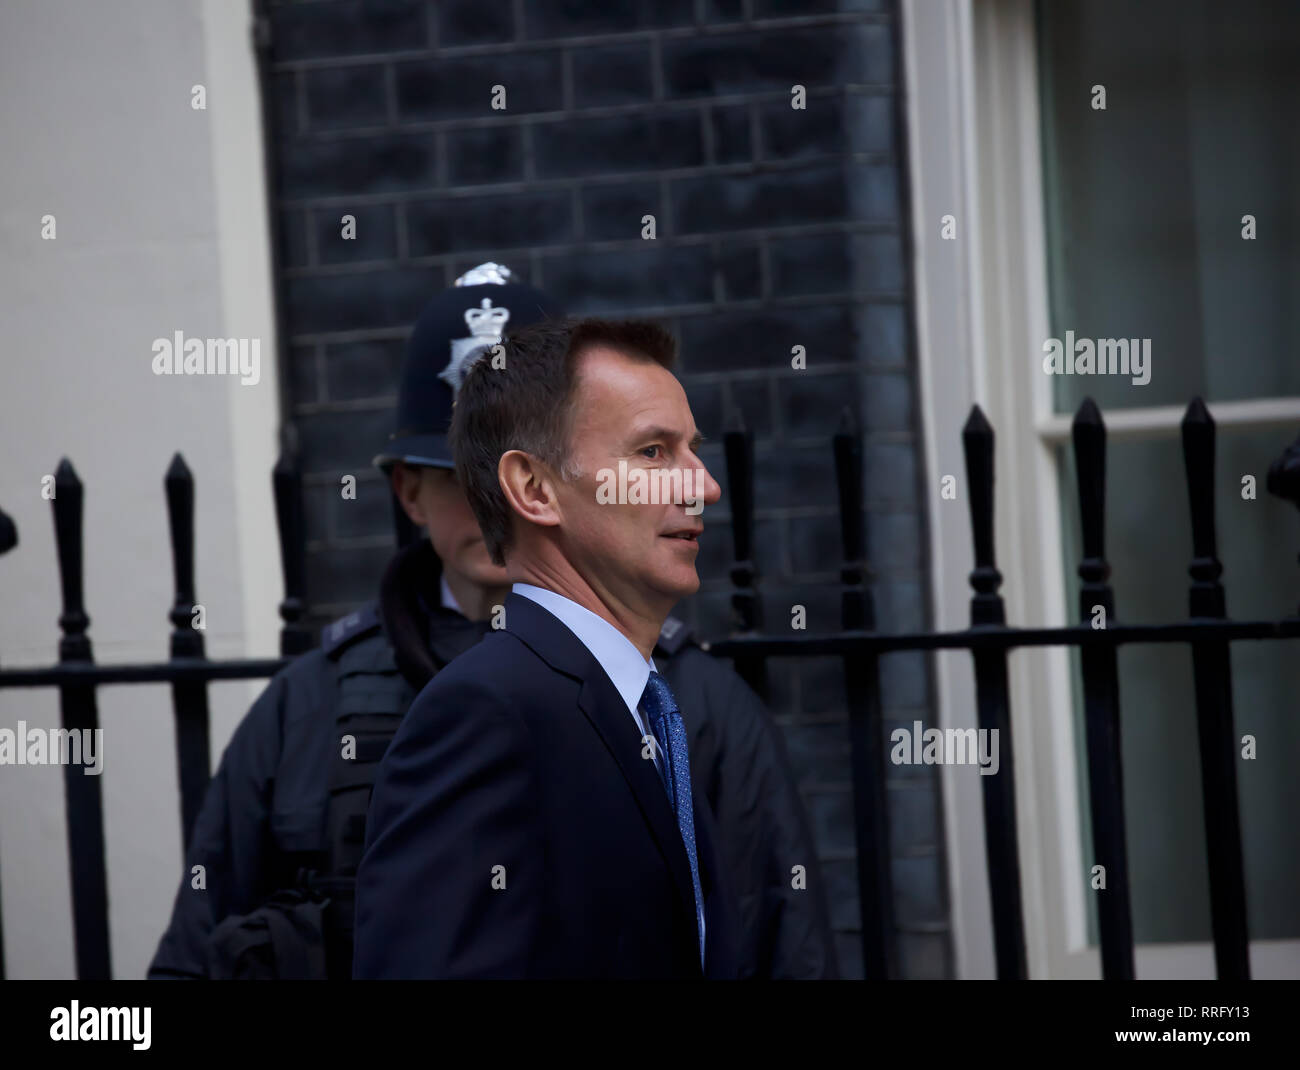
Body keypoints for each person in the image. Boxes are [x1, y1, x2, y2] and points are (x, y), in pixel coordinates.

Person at [148, 265, 836, 979]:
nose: (486, 505)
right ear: (411, 491)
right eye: (457, 477)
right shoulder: (316, 704)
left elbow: (776, 939)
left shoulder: (681, 696)